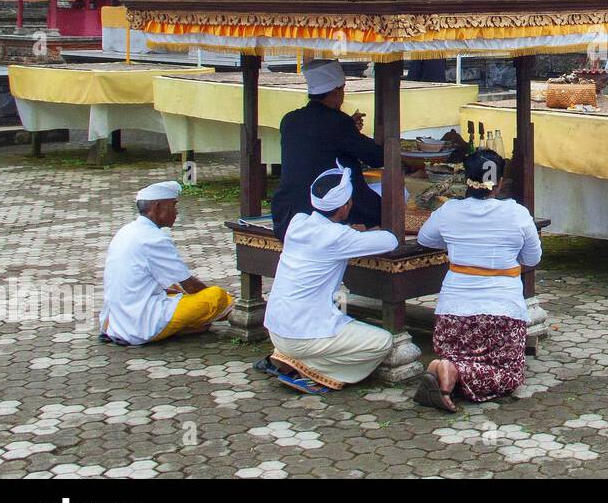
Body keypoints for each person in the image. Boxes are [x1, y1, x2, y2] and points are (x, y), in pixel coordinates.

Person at [412, 149, 541, 412]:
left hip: (453, 317)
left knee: (461, 354)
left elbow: (425, 239)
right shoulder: (517, 214)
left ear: (465, 180)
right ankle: (452, 371)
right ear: (500, 182)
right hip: (502, 316)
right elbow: (532, 258)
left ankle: (447, 368)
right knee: (509, 374)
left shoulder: (448, 211)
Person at [260, 163, 399, 395]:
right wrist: (357, 233)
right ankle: (311, 370)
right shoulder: (338, 236)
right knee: (383, 341)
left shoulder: (298, 222)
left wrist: (350, 231)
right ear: (345, 206)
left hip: (275, 328)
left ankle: (288, 357)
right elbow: (390, 241)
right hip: (304, 335)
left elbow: (329, 237)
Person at [99, 181, 234, 345]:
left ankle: (189, 325)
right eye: (173, 206)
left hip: (116, 318)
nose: (177, 212)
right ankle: (186, 325)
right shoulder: (154, 238)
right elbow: (190, 285)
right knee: (217, 296)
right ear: (156, 207)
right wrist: (225, 304)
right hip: (140, 323)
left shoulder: (126, 230)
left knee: (176, 291)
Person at [270, 59, 384, 239]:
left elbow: (318, 142)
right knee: (385, 210)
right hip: (322, 210)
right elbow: (377, 158)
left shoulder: (290, 119)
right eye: (342, 89)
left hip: (286, 213)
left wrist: (348, 129)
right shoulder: (338, 123)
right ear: (335, 91)